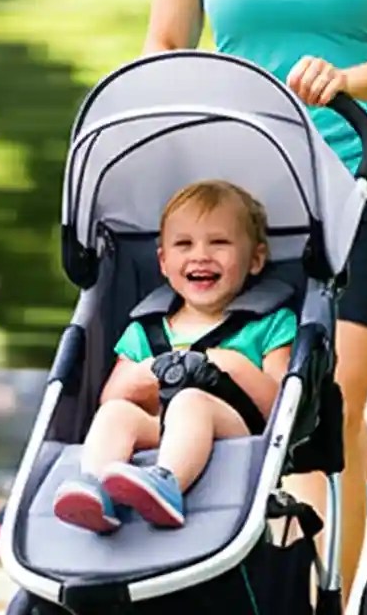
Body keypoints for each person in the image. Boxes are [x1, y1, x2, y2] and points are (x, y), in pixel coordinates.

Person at [140, 0, 367, 600]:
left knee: (328, 404)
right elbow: (165, 42)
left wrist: (349, 80)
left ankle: (318, 601)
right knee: (279, 396)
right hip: (250, 198)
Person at [52, 180, 296, 532]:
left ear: (256, 259)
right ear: (164, 262)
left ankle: (168, 483)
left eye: (220, 243)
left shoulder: (270, 324)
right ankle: (94, 488)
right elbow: (110, 396)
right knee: (117, 413)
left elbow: (282, 407)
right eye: (184, 244)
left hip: (235, 434)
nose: (200, 255)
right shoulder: (144, 330)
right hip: (159, 429)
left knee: (191, 402)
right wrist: (150, 371)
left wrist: (236, 366)